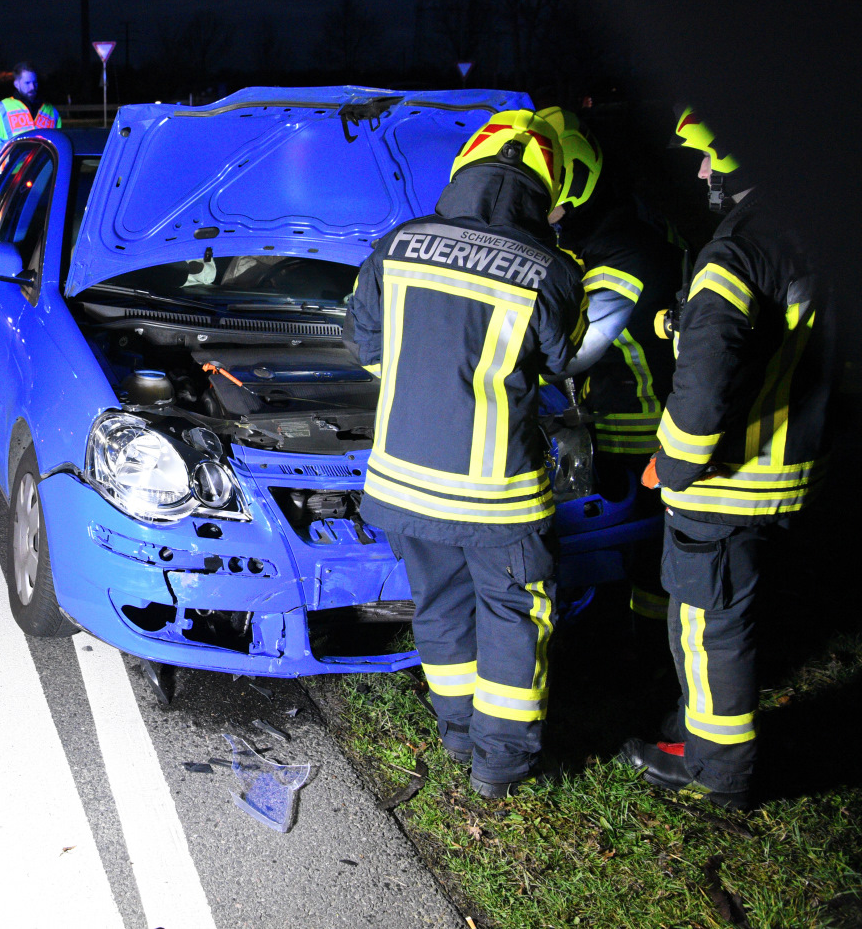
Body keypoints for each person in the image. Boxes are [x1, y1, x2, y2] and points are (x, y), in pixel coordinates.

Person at [346, 109, 586, 798]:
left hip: (401, 483)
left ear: (465, 168)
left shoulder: (397, 246)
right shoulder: (553, 271)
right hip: (497, 493)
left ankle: (456, 735)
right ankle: (501, 765)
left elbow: (368, 349)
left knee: (441, 606)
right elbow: (561, 360)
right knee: (515, 614)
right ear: (544, 189)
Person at [621, 109, 833, 809]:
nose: (704, 171)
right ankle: (701, 733)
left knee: (710, 629)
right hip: (785, 466)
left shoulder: (736, 249)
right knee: (735, 614)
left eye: (712, 157)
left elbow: (710, 381)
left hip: (725, 481)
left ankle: (716, 770)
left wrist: (672, 465)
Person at [542, 107, 688, 634]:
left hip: (645, 425)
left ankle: (642, 648)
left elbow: (574, 353)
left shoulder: (623, 248)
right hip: (617, 418)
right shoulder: (596, 237)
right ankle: (631, 636)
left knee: (646, 542)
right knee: (627, 539)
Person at [0, 63, 59, 157]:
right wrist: (9, 155)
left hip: (44, 171)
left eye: (35, 82)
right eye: (27, 83)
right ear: (16, 84)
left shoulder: (51, 111)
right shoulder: (1, 109)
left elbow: (59, 143)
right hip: (13, 171)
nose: (32, 87)